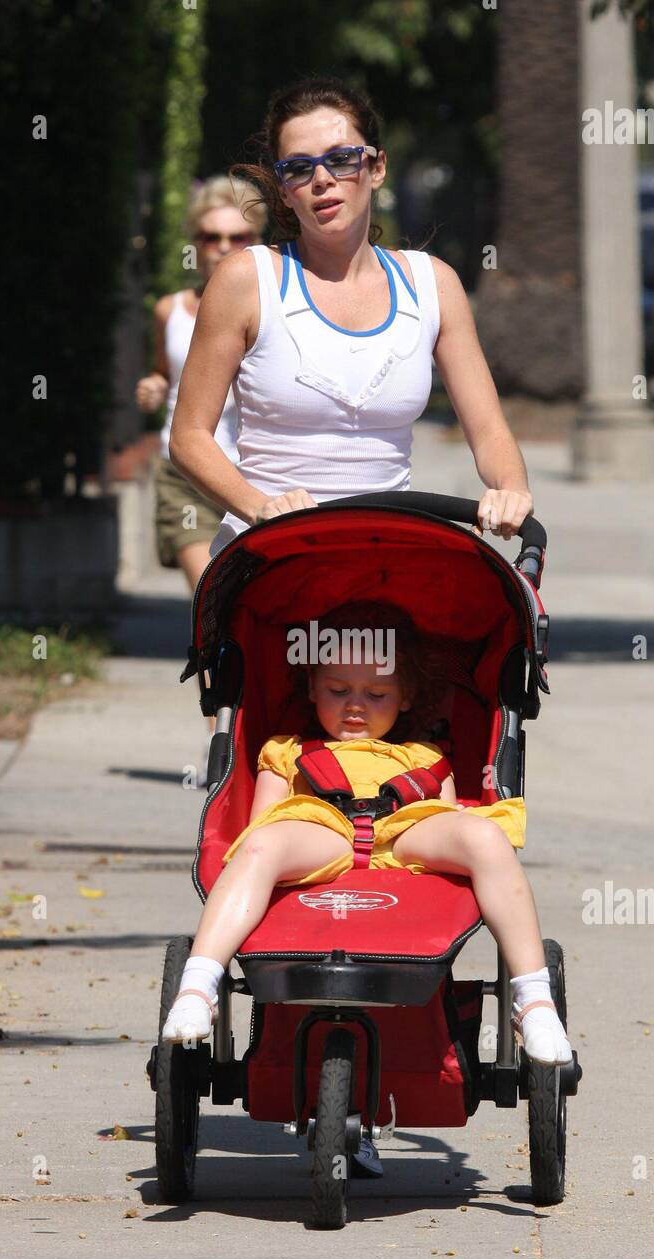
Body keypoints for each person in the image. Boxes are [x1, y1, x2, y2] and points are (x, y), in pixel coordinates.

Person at [162, 599, 574, 1079]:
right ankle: (199, 985)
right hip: (322, 832)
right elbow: (265, 824)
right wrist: (272, 847)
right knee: (259, 846)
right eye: (338, 689)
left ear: (406, 697)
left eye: (377, 695)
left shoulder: (423, 754)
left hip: (405, 834)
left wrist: (466, 834)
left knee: (485, 835)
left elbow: (439, 816)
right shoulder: (285, 749)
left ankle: (533, 997)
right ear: (312, 686)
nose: (355, 705)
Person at [168, 74, 535, 555]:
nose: (322, 180)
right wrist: (258, 506)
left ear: (377, 167)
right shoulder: (247, 280)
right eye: (298, 168)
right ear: (282, 189)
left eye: (341, 159)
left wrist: (511, 489)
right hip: (267, 563)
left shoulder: (433, 285)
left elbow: (488, 431)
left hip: (385, 561)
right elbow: (189, 435)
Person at [135, 176, 267, 593]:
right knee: (211, 595)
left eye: (238, 236)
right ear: (196, 243)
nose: (225, 247)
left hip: (253, 473)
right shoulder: (168, 311)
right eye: (211, 238)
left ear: (256, 238)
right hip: (185, 475)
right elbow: (164, 370)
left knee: (252, 603)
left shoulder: (276, 310)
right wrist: (154, 385)